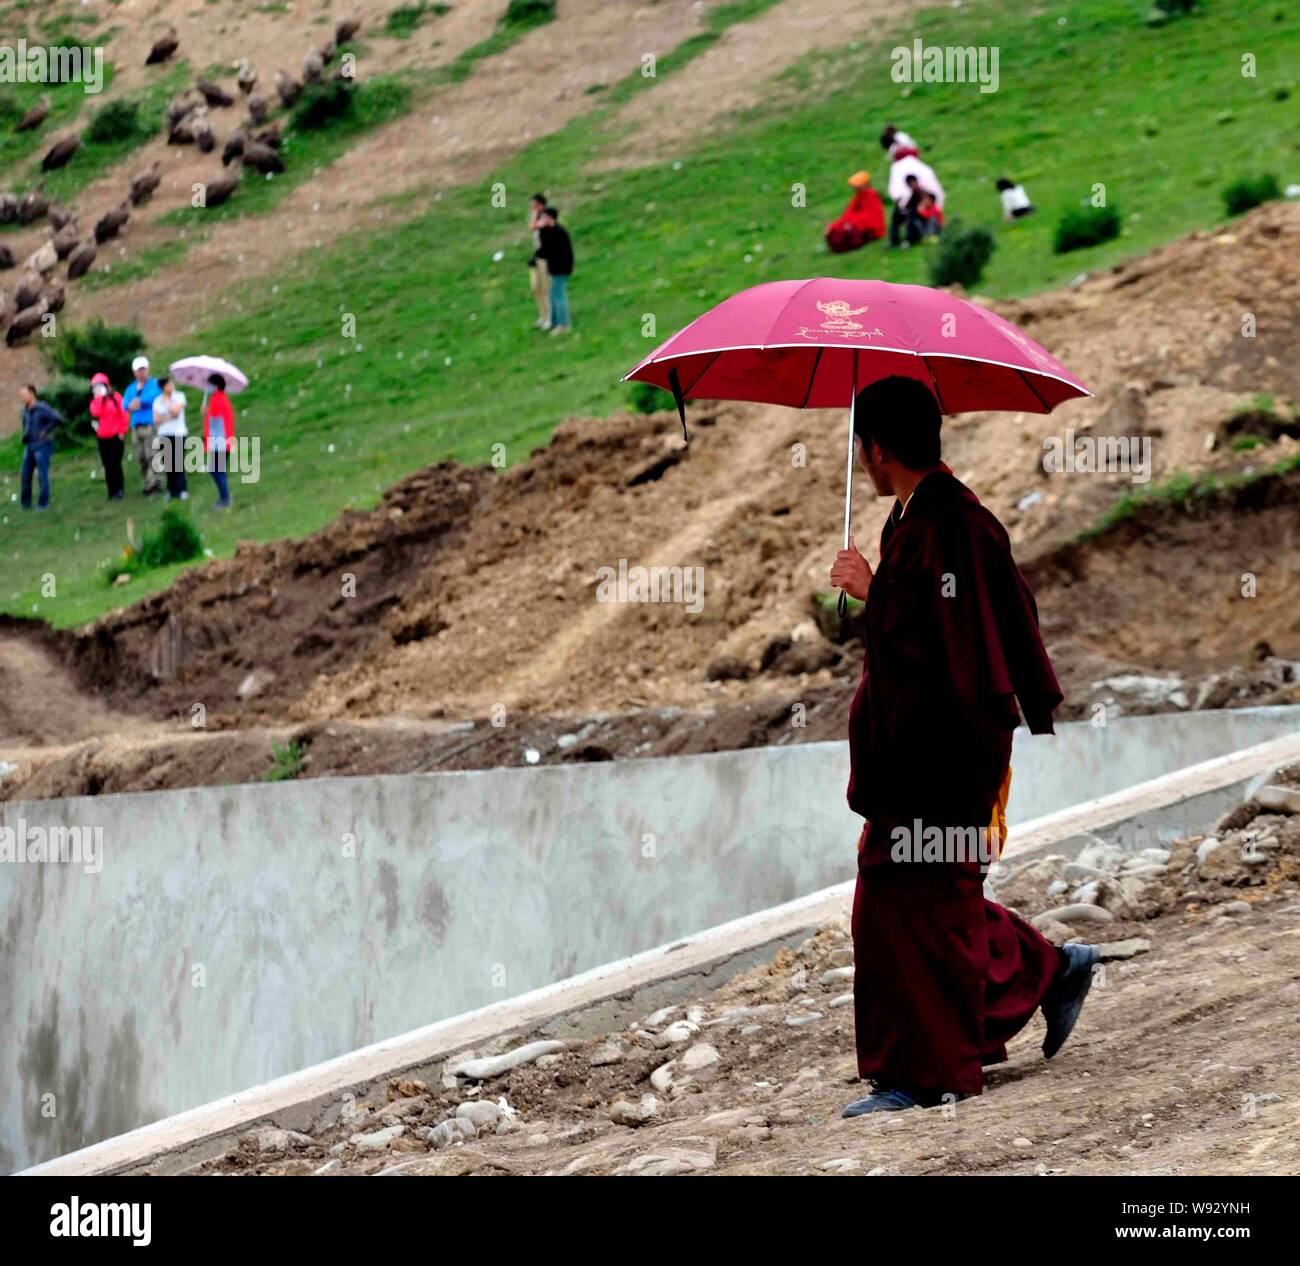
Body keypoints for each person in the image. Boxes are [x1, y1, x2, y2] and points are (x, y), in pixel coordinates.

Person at [827, 376, 1098, 1116]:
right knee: (928, 892)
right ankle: (1052, 970)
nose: (861, 459)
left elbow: (952, 647)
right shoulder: (913, 519)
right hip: (913, 753)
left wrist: (874, 591)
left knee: (909, 897)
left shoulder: (955, 525)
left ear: (878, 449)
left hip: (946, 755)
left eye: (862, 445)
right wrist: (876, 593)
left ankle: (926, 1072)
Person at [880, 125, 946, 248]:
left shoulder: (898, 167)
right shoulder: (918, 167)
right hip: (914, 208)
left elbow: (897, 192)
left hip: (924, 211)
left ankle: (908, 240)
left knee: (910, 216)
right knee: (898, 215)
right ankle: (894, 240)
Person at [122, 355, 163, 494]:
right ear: (134, 372)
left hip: (150, 424)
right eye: (139, 370)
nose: (141, 372)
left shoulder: (154, 384)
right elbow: (126, 404)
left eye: (143, 369)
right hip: (136, 425)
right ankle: (149, 480)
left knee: (153, 453)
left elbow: (154, 397)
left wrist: (139, 402)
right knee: (141, 456)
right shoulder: (131, 388)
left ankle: (154, 482)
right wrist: (135, 404)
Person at [18, 383, 61, 511]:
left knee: (42, 476)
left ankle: (43, 504)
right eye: (21, 395)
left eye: (24, 395)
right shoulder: (24, 410)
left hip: (42, 446)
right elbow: (25, 424)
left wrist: (45, 431)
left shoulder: (42, 408)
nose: (22, 398)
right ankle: (25, 504)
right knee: (25, 476)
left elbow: (57, 418)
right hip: (29, 446)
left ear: (32, 394)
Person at [89, 372, 129, 500]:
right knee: (107, 465)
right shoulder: (96, 401)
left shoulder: (116, 398)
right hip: (103, 437)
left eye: (100, 386)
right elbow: (95, 413)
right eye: (95, 387)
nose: (98, 389)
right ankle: (111, 491)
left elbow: (124, 414)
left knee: (115, 463)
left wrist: (123, 431)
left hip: (116, 436)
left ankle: (119, 489)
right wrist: (99, 398)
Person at [825, 171, 886, 254]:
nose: (855, 188)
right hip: (856, 223)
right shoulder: (857, 196)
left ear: (865, 185)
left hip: (870, 229)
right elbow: (848, 213)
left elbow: (872, 216)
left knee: (849, 229)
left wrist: (853, 223)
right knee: (834, 230)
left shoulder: (872, 194)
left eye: (857, 186)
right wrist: (834, 225)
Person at [535, 205, 573, 334]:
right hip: (554, 268)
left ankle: (564, 324)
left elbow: (547, 251)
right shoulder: (549, 232)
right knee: (553, 295)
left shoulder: (559, 232)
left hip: (560, 268)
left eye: (544, 217)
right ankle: (556, 322)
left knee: (558, 296)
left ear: (550, 218)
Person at [152, 375, 189, 501]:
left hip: (178, 433)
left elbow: (176, 412)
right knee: (168, 463)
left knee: (178, 462)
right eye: (169, 385)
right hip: (164, 434)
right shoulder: (157, 401)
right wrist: (168, 416)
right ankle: (171, 490)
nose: (171, 387)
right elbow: (156, 420)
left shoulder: (179, 396)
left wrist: (168, 403)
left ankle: (182, 489)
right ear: (163, 387)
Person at [203, 372, 235, 508]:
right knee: (218, 469)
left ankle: (225, 498)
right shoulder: (222, 398)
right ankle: (225, 495)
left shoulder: (216, 399)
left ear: (215, 386)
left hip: (219, 442)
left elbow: (214, 418)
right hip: (224, 440)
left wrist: (206, 411)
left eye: (209, 384)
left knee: (215, 470)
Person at [527, 192, 550, 330]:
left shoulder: (547, 217)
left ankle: (549, 317)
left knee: (545, 288)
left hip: (546, 258)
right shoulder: (536, 217)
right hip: (537, 257)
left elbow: (533, 227)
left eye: (534, 205)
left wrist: (535, 214)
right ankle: (542, 315)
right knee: (536, 287)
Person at [904, 174, 945, 239]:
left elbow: (929, 215)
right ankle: (923, 236)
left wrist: (920, 210)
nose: (925, 202)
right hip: (925, 223)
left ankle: (930, 236)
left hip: (935, 226)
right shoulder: (914, 194)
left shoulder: (934, 208)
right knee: (917, 222)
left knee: (932, 220)